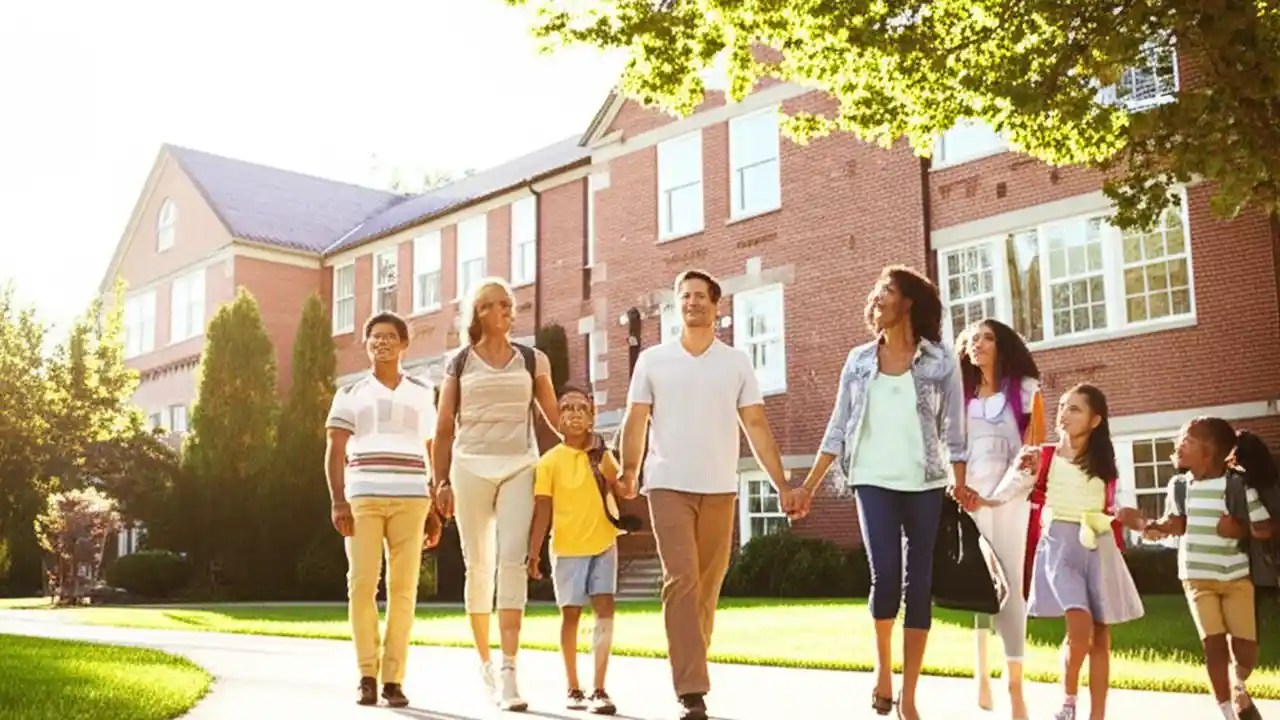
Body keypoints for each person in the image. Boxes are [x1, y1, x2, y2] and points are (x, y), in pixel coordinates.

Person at [619, 269, 801, 720]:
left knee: (707, 585)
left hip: (719, 486)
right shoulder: (653, 360)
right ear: (676, 305)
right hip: (666, 483)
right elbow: (636, 419)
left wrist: (781, 483)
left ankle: (690, 669)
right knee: (681, 579)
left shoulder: (735, 362)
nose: (692, 302)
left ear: (717, 306)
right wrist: (627, 471)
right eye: (685, 296)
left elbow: (756, 425)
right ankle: (692, 688)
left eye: (701, 296)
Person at [800, 264, 967, 720]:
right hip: (872, 480)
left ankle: (909, 695)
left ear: (908, 302)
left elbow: (954, 428)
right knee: (887, 575)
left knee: (921, 585)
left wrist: (962, 479)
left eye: (887, 290)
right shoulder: (858, 361)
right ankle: (882, 672)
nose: (876, 296)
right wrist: (809, 487)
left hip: (926, 482)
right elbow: (837, 428)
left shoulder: (941, 360)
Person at [973, 383, 1146, 720]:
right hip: (1060, 548)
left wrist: (1135, 520)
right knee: (1079, 629)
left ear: (1095, 421)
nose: (1064, 413)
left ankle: (1097, 715)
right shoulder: (1043, 456)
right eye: (1063, 406)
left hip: (1099, 547)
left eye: (1075, 408)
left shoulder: (1105, 464)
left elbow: (1116, 505)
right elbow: (1011, 488)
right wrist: (985, 500)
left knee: (1100, 635)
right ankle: (1068, 702)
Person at [432, 277, 559, 712]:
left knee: (511, 562)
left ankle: (509, 670)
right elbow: (445, 424)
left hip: (520, 465)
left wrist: (588, 442)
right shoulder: (459, 362)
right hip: (469, 467)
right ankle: (485, 662)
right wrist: (441, 482)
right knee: (478, 565)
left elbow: (554, 416)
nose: (508, 310)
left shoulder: (532, 359)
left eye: (510, 304)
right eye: (498, 305)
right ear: (480, 312)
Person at [324, 311, 442, 708]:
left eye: (390, 336)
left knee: (404, 589)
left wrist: (434, 505)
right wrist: (338, 500)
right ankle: (367, 675)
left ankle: (394, 679)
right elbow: (335, 450)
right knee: (361, 585)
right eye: (375, 336)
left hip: (413, 499)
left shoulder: (424, 392)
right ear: (366, 344)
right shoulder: (350, 394)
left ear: (404, 344)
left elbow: (431, 449)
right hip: (363, 498)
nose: (382, 342)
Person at [1145, 419, 1273, 720]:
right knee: (1213, 644)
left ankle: (1239, 687)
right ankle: (1227, 711)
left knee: (1246, 650)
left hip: (1236, 578)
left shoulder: (1236, 486)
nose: (1178, 445)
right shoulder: (1179, 486)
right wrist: (1149, 526)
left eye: (1186, 440)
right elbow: (1175, 524)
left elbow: (1264, 527)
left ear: (1210, 451)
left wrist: (1239, 528)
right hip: (1196, 576)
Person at [954, 318, 1045, 719]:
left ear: (1001, 344)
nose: (977, 344)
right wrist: (963, 492)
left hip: (1009, 503)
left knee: (1010, 588)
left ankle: (1015, 685)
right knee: (977, 584)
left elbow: (1033, 454)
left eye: (986, 337)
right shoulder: (959, 399)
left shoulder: (1026, 392)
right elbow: (951, 452)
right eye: (972, 339)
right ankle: (981, 675)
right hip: (970, 502)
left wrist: (998, 497)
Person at [527, 385, 636, 716]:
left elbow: (622, 490)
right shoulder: (548, 462)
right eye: (565, 408)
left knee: (605, 610)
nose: (573, 413)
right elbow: (542, 509)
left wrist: (625, 479)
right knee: (571, 613)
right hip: (568, 547)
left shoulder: (602, 456)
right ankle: (573, 686)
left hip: (604, 543)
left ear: (591, 419)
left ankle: (599, 688)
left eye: (580, 409)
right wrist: (533, 554)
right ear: (557, 419)